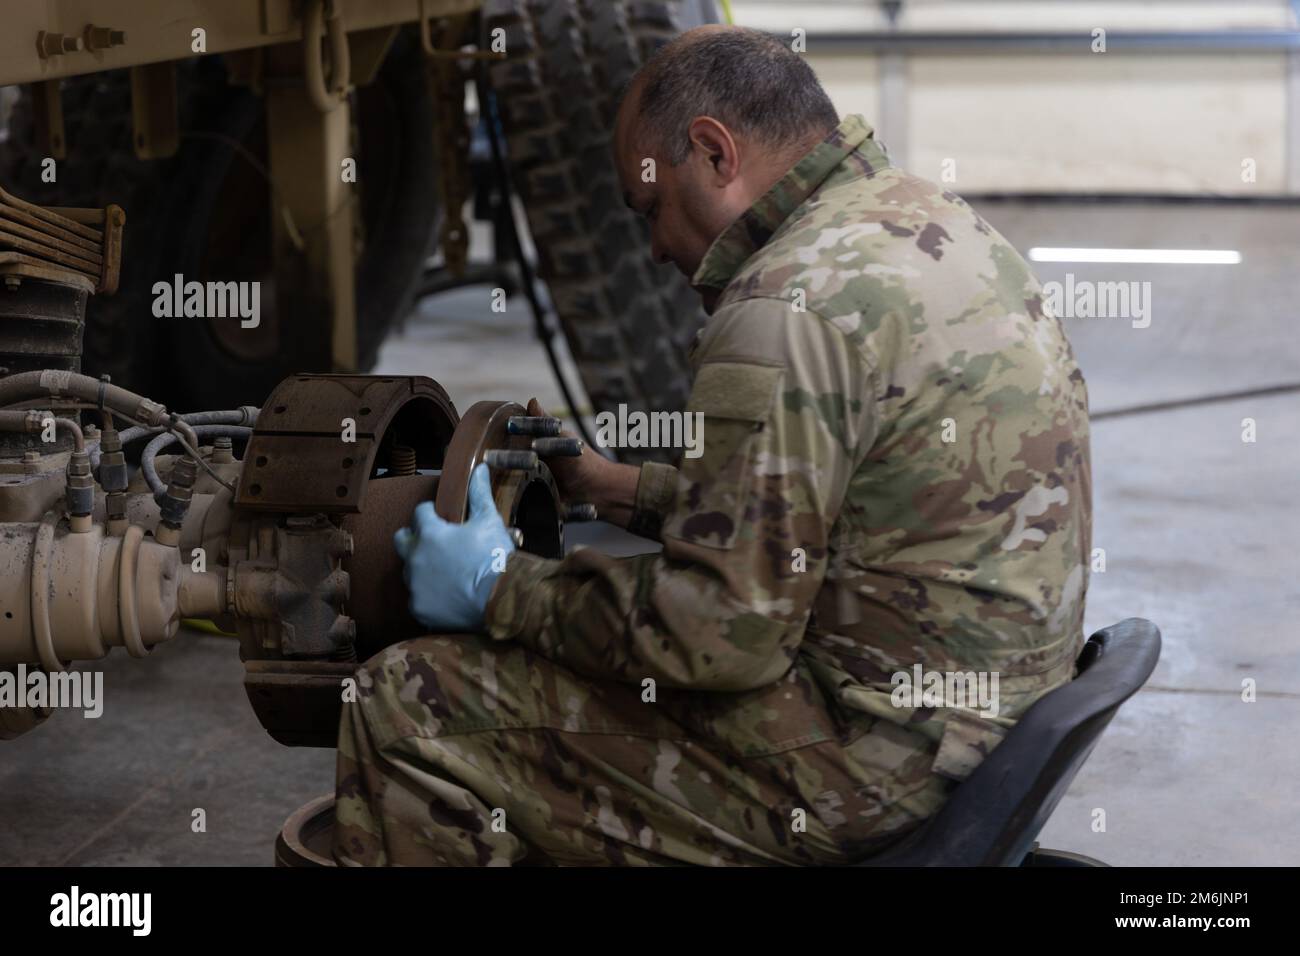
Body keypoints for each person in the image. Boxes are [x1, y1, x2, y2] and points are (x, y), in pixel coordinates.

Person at [332, 24, 1091, 866]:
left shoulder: (783, 304)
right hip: (988, 731)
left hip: (877, 770)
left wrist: (497, 587)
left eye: (649, 206)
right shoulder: (935, 227)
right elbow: (824, 528)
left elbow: (721, 633)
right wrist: (611, 489)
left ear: (712, 152)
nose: (655, 247)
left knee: (407, 699)